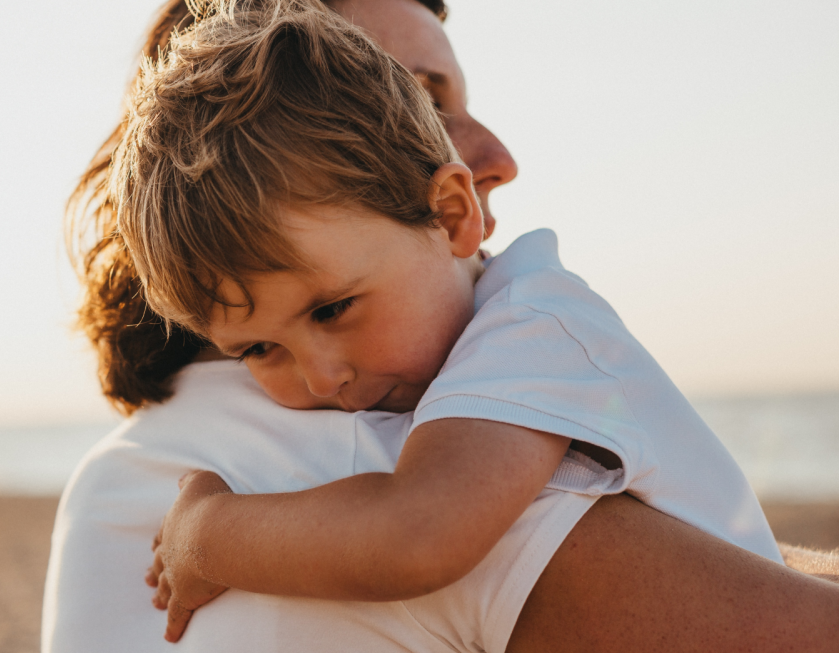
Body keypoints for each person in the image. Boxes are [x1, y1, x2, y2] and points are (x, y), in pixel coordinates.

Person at [43, 1, 839, 652]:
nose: (321, 379)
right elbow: (416, 530)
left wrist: (208, 534)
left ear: (449, 211)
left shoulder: (526, 327)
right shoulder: (359, 436)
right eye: (419, 98)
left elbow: (423, 524)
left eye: (332, 310)